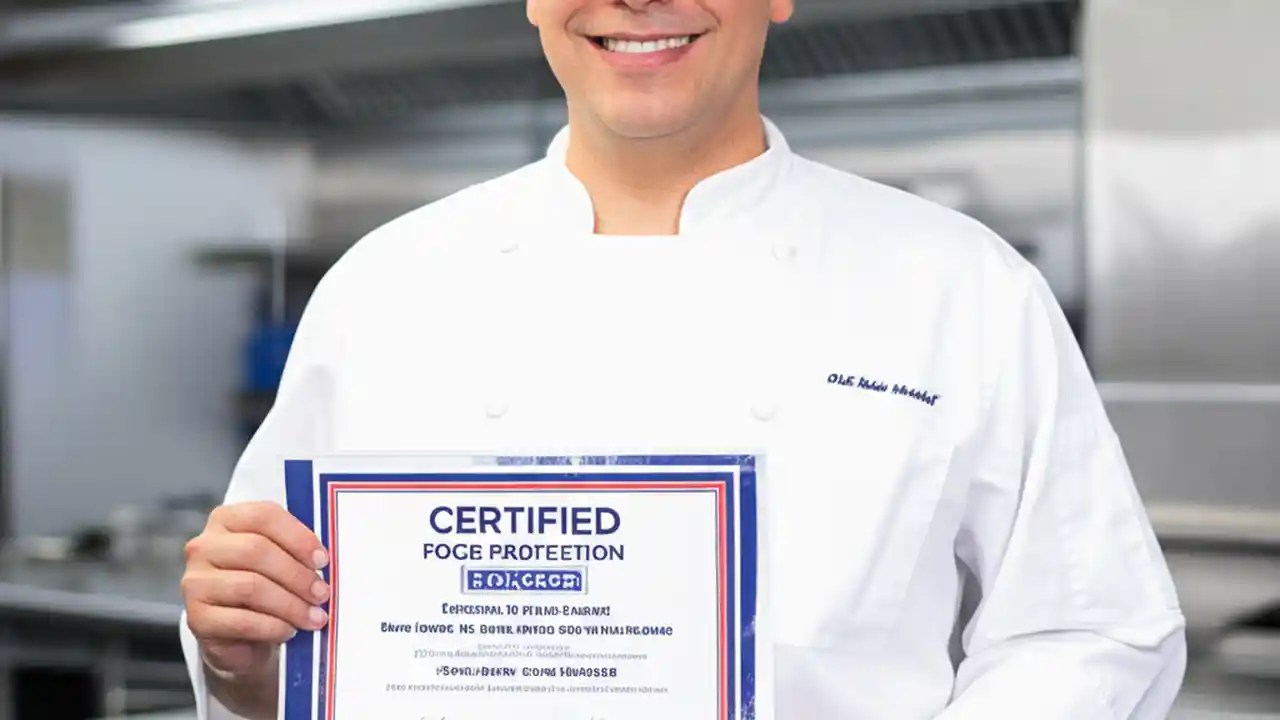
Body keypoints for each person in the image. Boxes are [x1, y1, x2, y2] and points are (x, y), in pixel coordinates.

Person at [179, 0, 1188, 717]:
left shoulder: (961, 286)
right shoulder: (383, 285)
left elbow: (1089, 630)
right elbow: (284, 657)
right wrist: (239, 653)